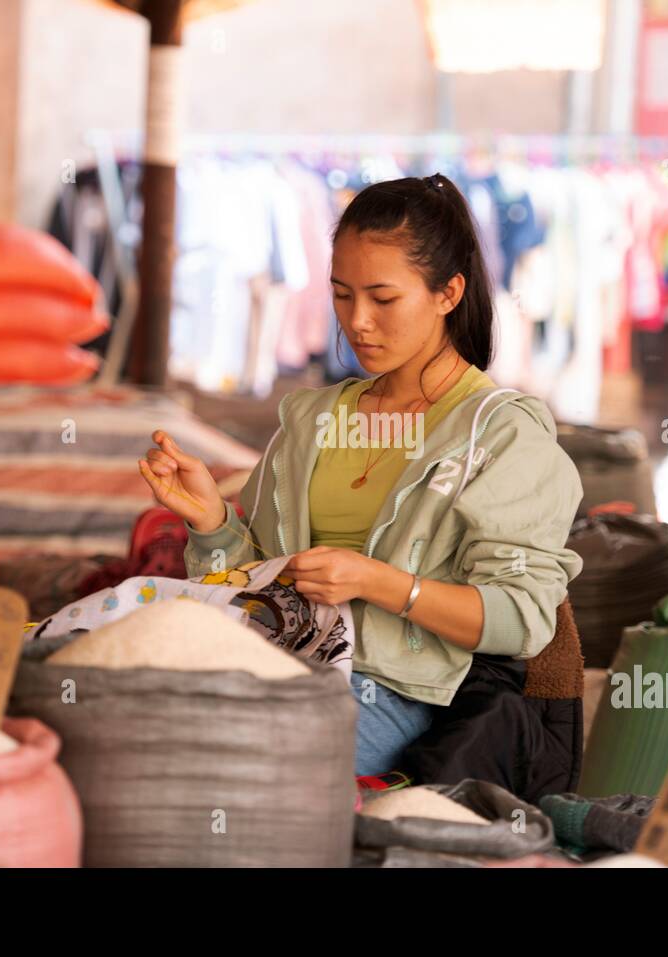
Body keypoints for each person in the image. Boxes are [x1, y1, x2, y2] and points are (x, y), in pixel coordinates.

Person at [140, 173, 583, 777]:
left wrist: (380, 583)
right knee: (114, 711)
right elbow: (261, 581)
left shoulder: (502, 435)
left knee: (210, 756)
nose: (358, 321)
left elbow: (522, 620)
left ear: (448, 293)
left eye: (383, 297)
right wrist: (211, 523)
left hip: (396, 694)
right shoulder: (314, 418)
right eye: (342, 294)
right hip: (275, 660)